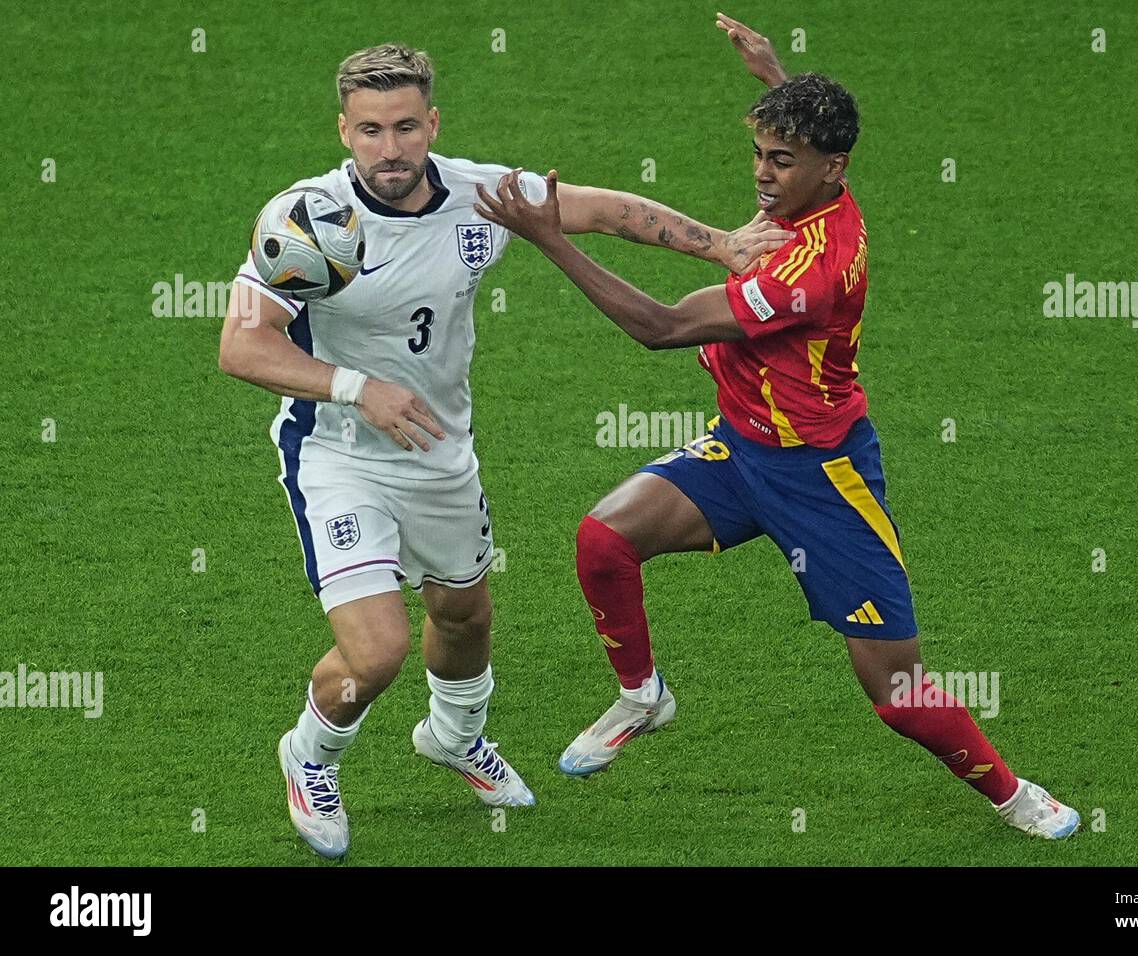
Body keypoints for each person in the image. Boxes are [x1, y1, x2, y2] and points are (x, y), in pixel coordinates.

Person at [471, 15, 1081, 840]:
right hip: (742, 449)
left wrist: (549, 241)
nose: (762, 176)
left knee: (897, 697)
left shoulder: (806, 274)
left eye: (780, 161)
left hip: (822, 477)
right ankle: (643, 698)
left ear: (831, 170)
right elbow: (813, 137)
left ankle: (1015, 796)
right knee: (603, 540)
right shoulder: (826, 188)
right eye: (759, 153)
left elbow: (657, 327)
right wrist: (775, 76)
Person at [218, 42, 792, 859]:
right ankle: (310, 754)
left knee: (464, 612)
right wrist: (356, 388)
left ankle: (453, 736)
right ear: (345, 131)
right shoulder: (304, 220)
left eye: (407, 127)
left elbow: (599, 209)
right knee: (375, 652)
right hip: (340, 455)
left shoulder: (477, 194)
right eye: (372, 130)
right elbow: (241, 347)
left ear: (432, 124)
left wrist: (722, 246)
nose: (391, 149)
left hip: (442, 451)